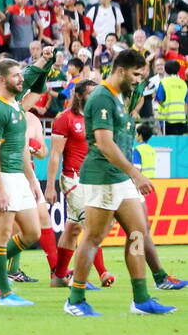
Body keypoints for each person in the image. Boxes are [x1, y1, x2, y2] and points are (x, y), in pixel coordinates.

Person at [66, 50, 176, 316]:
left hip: (120, 177)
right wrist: (136, 174)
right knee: (93, 237)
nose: (138, 80)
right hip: (102, 176)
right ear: (121, 70)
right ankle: (75, 299)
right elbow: (104, 143)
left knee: (138, 231)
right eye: (136, 74)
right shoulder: (102, 97)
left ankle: (141, 298)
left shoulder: (118, 98)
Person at [0, 60, 42, 306]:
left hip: (18, 176)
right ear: (2, 80)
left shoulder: (16, 107)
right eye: (16, 76)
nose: (21, 79)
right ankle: (4, 292)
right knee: (2, 234)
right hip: (1, 177)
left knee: (31, 233)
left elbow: (23, 150)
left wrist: (33, 181)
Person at [45, 80, 115, 288]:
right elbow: (55, 154)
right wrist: (50, 186)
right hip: (72, 178)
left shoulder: (98, 118)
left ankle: (58, 277)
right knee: (91, 225)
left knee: (73, 229)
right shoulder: (64, 119)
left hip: (93, 180)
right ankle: (101, 273)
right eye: (91, 93)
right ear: (80, 95)